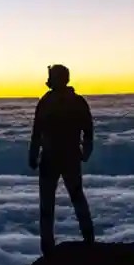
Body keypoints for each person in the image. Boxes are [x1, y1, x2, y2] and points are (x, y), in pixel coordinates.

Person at [28, 64, 95, 255]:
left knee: (48, 205)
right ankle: (89, 240)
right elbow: (88, 131)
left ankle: (48, 249)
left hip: (51, 160)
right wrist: (85, 152)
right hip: (70, 158)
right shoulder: (77, 101)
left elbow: (36, 134)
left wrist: (33, 156)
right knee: (77, 198)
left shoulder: (46, 102)